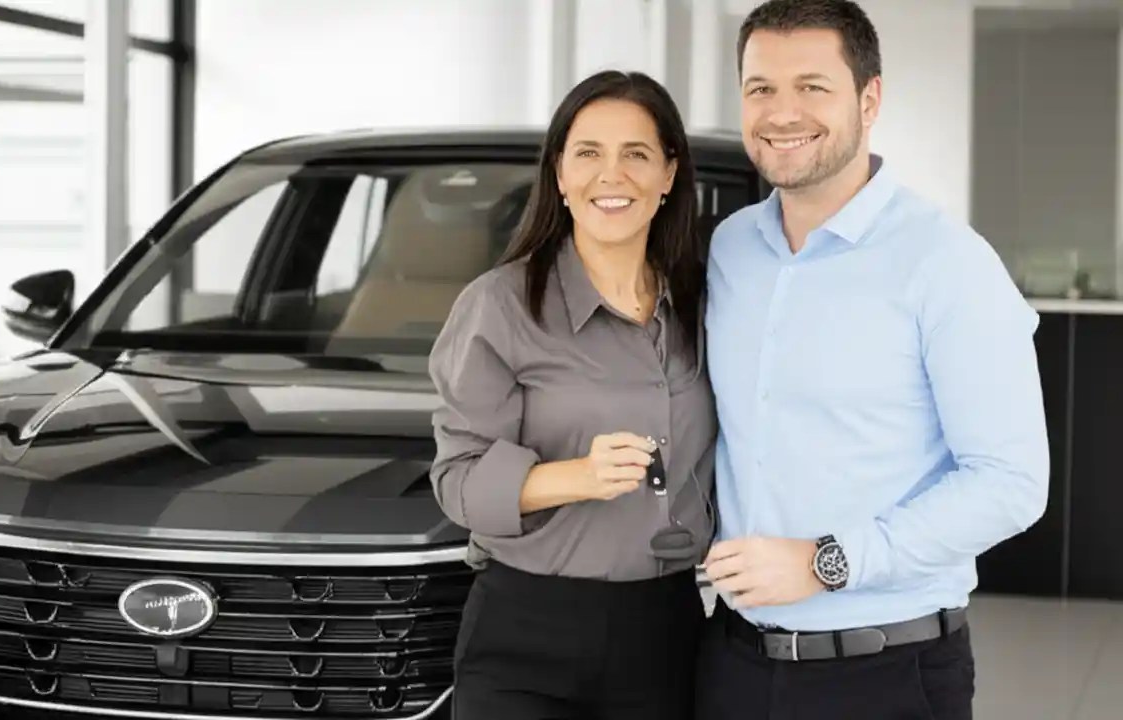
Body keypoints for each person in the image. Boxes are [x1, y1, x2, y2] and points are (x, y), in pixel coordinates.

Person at [696, 1, 1050, 718]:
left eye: (812, 86)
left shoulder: (947, 263)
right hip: (731, 665)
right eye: (760, 88)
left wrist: (827, 561)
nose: (781, 111)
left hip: (885, 673)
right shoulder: (726, 250)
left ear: (870, 98)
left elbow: (1012, 482)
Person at [428, 69, 716, 720]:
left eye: (636, 154)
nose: (611, 175)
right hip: (528, 631)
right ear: (559, 173)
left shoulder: (705, 305)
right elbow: (457, 483)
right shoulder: (498, 307)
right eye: (588, 153)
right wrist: (577, 476)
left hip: (668, 628)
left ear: (669, 175)